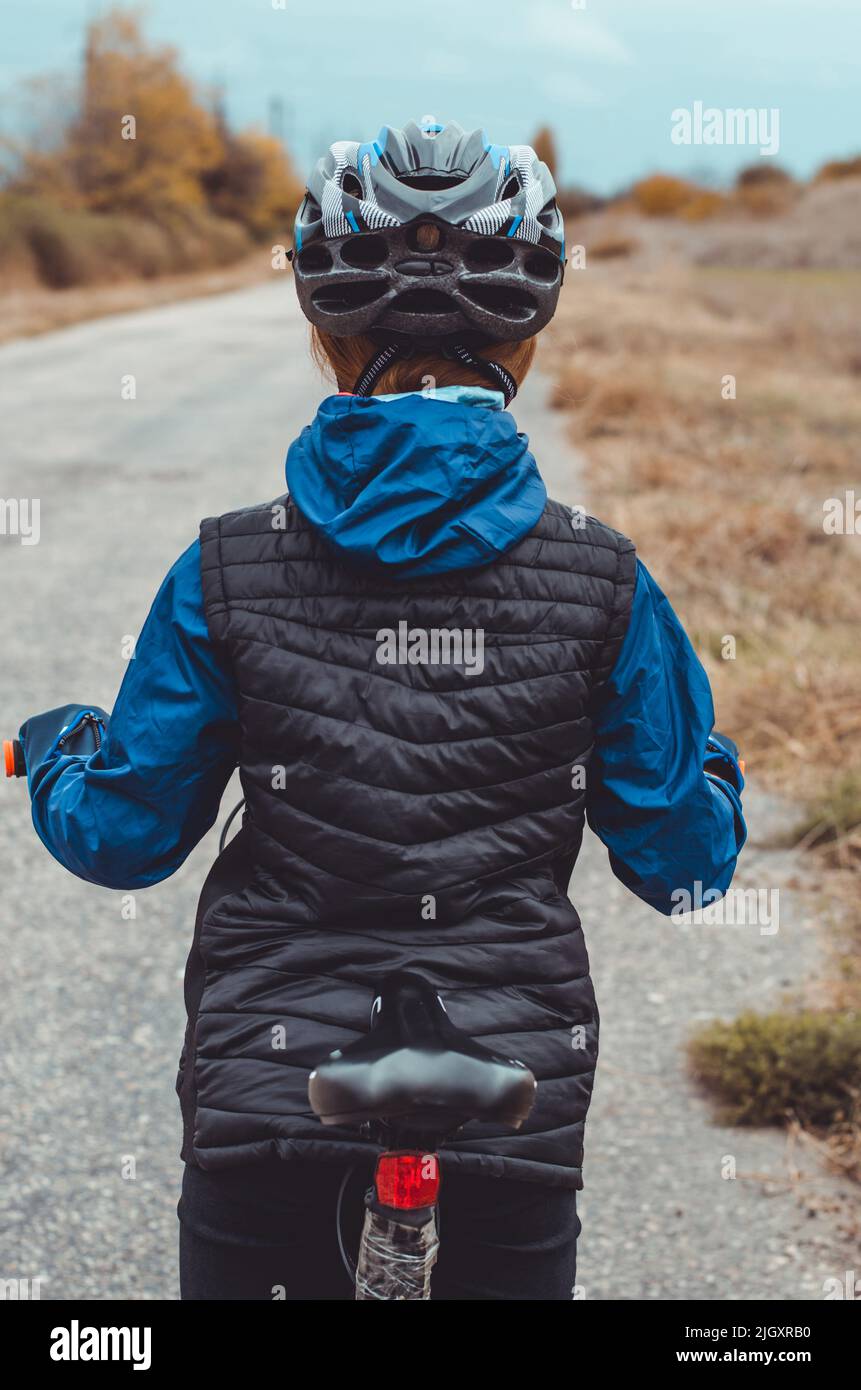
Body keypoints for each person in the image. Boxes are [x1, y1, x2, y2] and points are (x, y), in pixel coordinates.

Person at [17, 120, 746, 1301]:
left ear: (323, 326)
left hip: (271, 1086)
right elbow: (686, 867)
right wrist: (707, 770)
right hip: (513, 1096)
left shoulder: (227, 568)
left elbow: (122, 833)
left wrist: (58, 750)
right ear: (527, 331)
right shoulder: (605, 580)